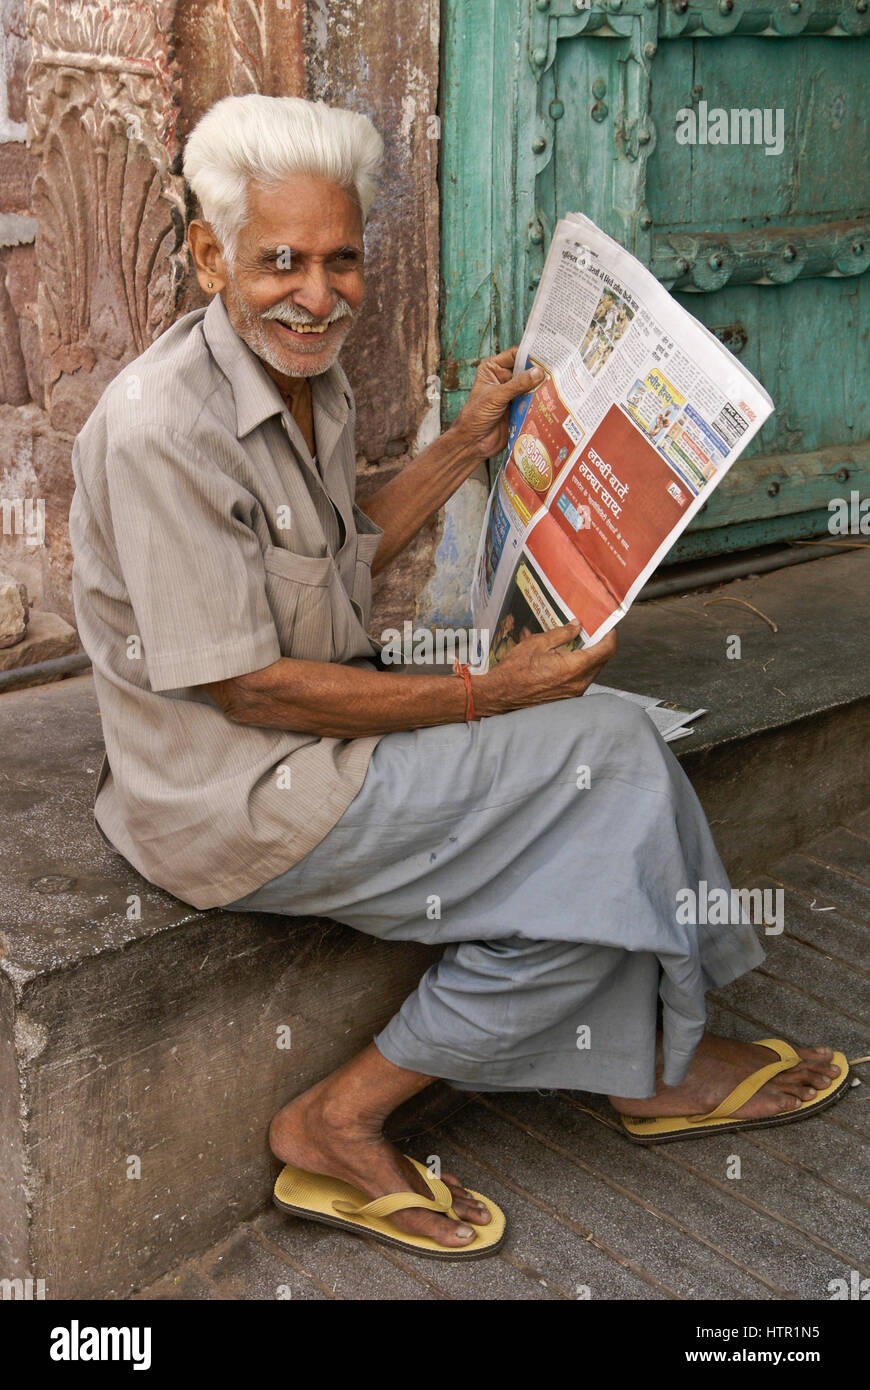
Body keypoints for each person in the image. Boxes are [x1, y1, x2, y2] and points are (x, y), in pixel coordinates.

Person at [69, 94, 845, 1261]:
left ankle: (638, 1062)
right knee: (607, 770)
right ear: (209, 254)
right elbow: (251, 691)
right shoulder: (158, 429)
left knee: (604, 794)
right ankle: (366, 1113)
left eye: (341, 260)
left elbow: (332, 555)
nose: (317, 294)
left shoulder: (303, 372)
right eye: (280, 261)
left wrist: (468, 443)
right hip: (240, 795)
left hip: (312, 741)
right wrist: (497, 692)